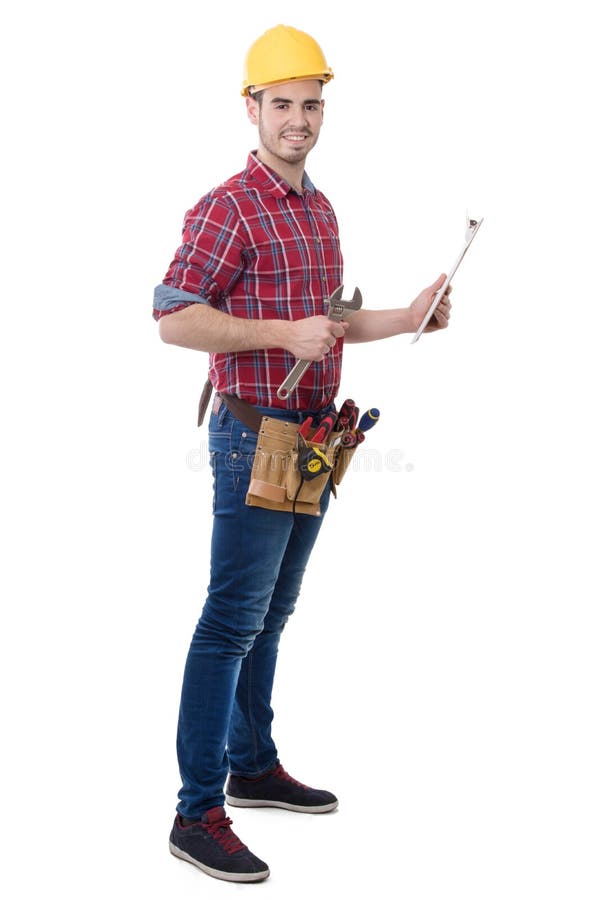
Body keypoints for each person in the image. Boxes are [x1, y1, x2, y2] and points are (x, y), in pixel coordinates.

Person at [154, 24, 452, 884]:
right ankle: (194, 811)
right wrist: (280, 334)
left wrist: (409, 316)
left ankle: (251, 764)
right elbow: (173, 316)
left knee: (272, 613)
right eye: (281, 104)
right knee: (228, 622)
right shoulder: (227, 207)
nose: (298, 119)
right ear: (250, 109)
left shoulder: (319, 207)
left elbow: (335, 318)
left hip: (315, 440)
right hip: (254, 435)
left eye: (310, 104)